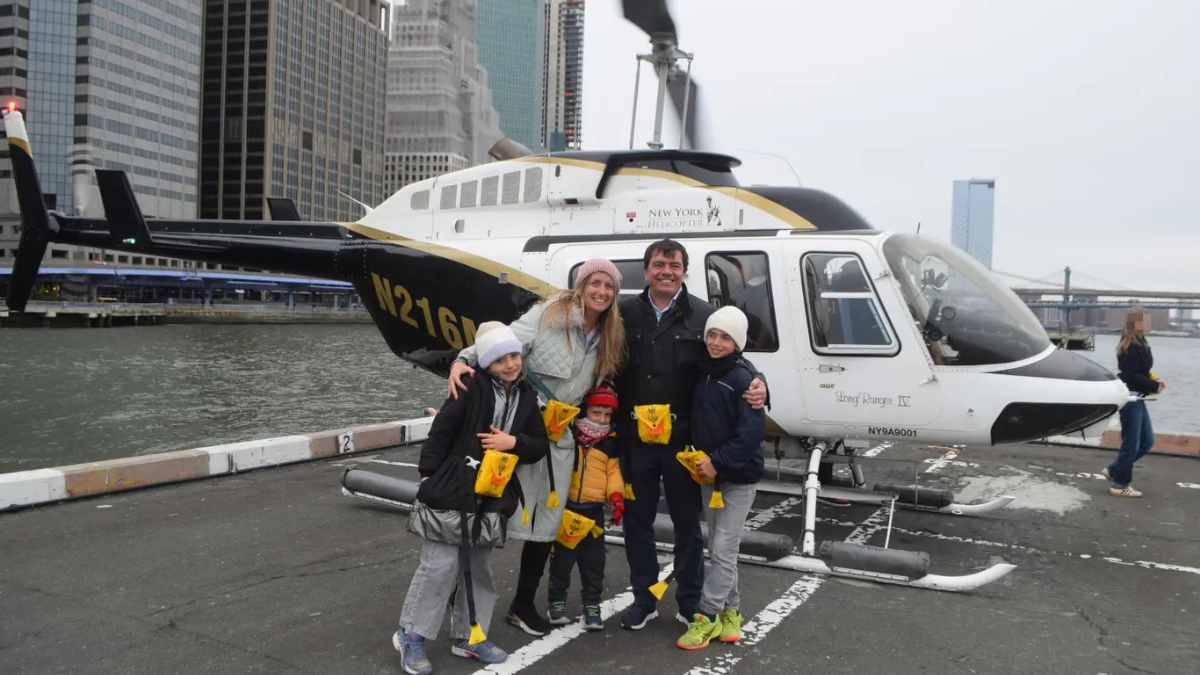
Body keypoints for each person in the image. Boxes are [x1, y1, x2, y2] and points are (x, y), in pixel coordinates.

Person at [447, 259, 625, 636]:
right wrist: (463, 361)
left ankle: (522, 604)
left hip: (558, 439)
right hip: (518, 422)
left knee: (546, 523)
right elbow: (505, 341)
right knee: (485, 509)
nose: (602, 292)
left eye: (609, 286)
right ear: (581, 285)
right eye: (595, 283)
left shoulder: (609, 335)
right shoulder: (549, 314)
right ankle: (455, 594)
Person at [614, 239, 767, 631]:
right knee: (637, 523)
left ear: (685, 271)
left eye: (675, 265)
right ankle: (644, 598)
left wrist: (761, 382)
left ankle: (688, 600)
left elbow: (734, 358)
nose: (667, 271)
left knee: (687, 525)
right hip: (634, 442)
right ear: (646, 269)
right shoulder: (622, 313)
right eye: (659, 264)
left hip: (685, 446)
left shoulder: (704, 315)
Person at [394, 322, 548, 675]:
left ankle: (470, 635)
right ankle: (410, 635)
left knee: (479, 567)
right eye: (499, 360)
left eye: (514, 356)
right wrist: (428, 474)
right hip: (453, 485)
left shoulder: (527, 396)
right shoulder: (469, 387)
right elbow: (442, 430)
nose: (510, 364)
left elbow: (538, 444)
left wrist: (514, 443)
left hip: (492, 493)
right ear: (486, 364)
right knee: (440, 565)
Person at [676, 307, 765, 650]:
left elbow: (750, 434)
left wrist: (718, 461)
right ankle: (733, 611)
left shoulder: (744, 379)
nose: (716, 342)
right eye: (712, 334)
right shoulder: (706, 370)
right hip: (708, 475)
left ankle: (707, 616)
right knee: (719, 546)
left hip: (736, 477)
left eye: (725, 337)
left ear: (738, 343)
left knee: (723, 549)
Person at [546, 385, 624, 631]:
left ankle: (592, 605)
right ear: (584, 411)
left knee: (594, 561)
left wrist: (616, 498)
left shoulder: (610, 443)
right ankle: (556, 602)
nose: (602, 419)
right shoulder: (569, 435)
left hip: (594, 511)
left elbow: (613, 472)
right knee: (562, 560)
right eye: (596, 412)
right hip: (566, 509)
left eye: (607, 415)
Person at [1105, 307, 1165, 498]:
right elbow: (1129, 376)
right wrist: (1153, 386)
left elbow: (1140, 372)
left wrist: (1154, 382)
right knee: (1131, 444)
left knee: (1146, 442)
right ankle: (1119, 483)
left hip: (1138, 396)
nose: (1150, 324)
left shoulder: (1140, 342)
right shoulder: (1130, 346)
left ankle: (1115, 470)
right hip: (1130, 398)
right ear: (1136, 323)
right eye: (1146, 320)